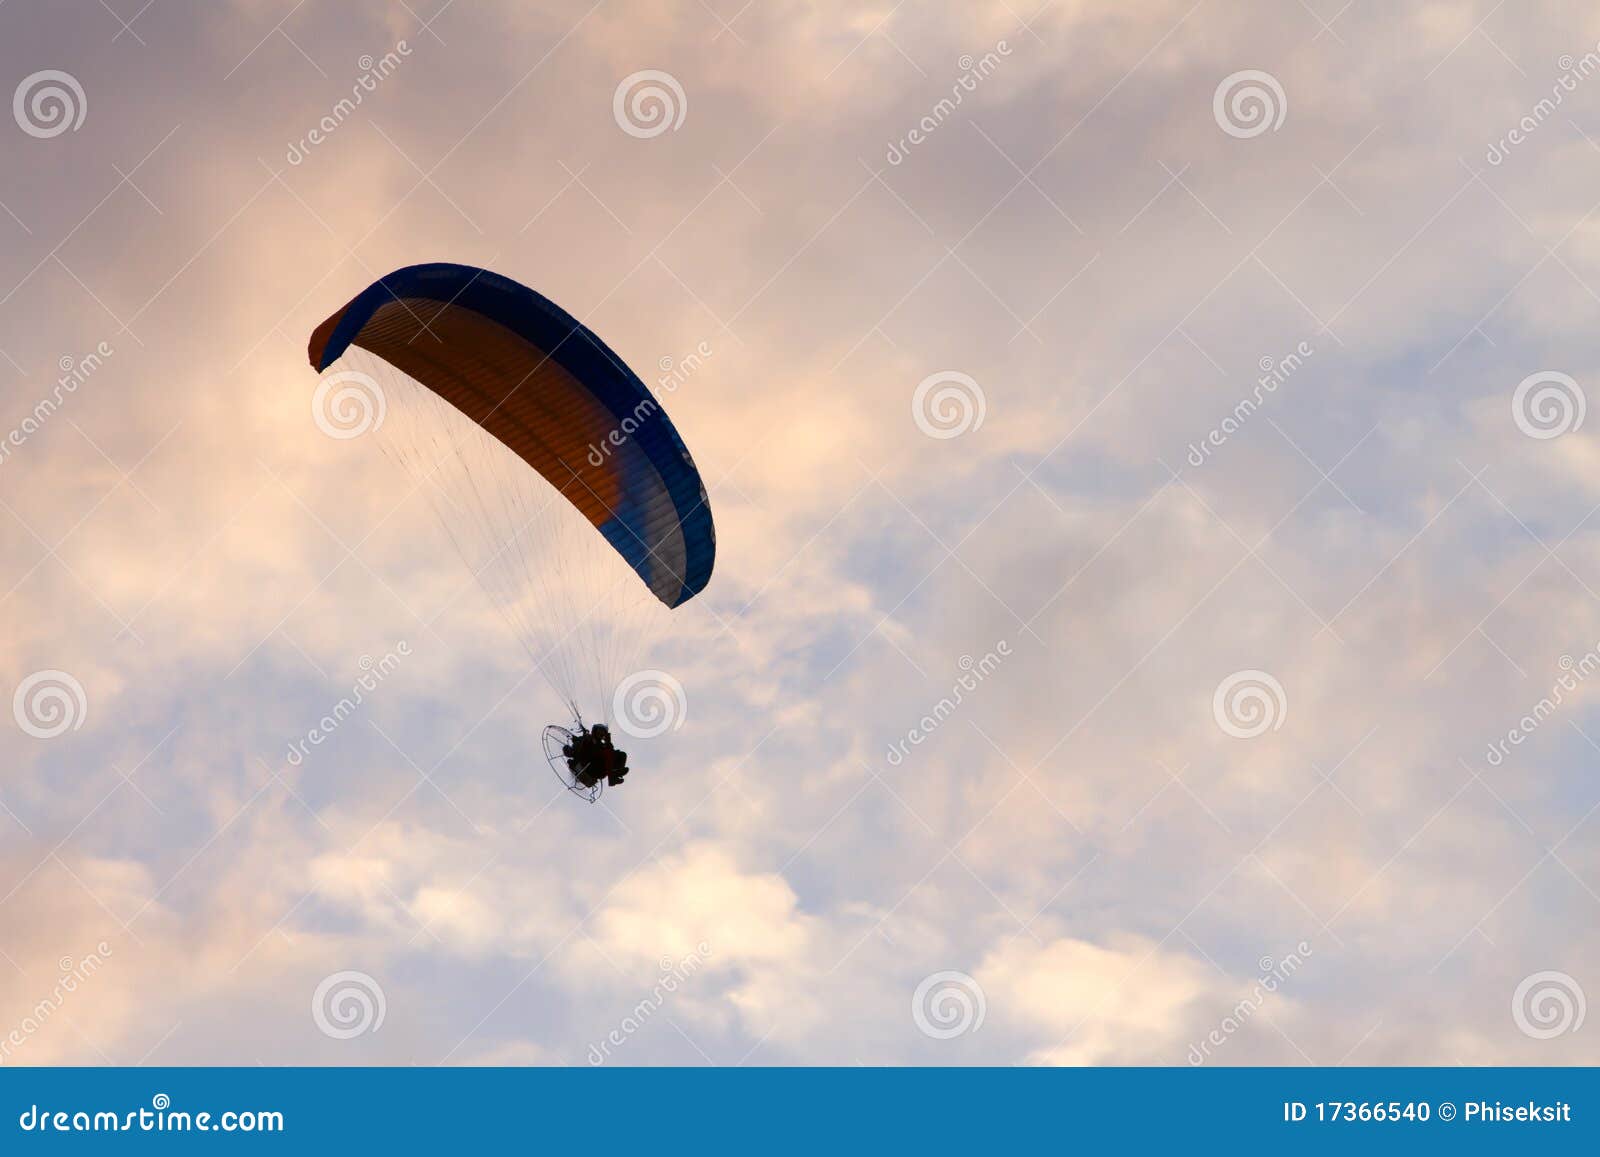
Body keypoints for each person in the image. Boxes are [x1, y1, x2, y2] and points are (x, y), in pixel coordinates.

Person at [562, 723, 631, 790]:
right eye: (599, 732)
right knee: (603, 752)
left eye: (602, 733)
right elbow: (582, 747)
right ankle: (613, 776)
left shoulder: (600, 745)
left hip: (598, 770)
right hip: (588, 767)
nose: (600, 735)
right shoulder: (582, 743)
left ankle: (615, 774)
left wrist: (608, 743)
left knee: (621, 755)